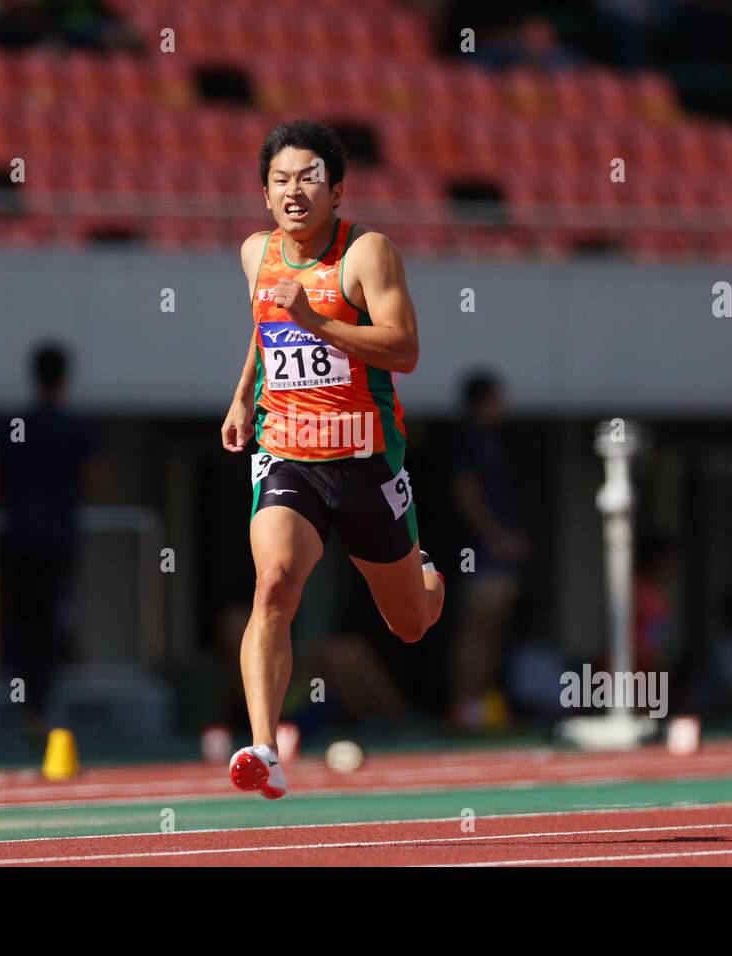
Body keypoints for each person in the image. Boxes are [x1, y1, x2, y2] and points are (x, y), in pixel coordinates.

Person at [219, 119, 444, 798]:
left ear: (337, 191)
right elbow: (265, 331)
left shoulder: (366, 255)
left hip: (366, 459)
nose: (294, 191)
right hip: (286, 452)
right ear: (264, 194)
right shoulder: (256, 254)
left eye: (309, 178)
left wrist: (316, 320)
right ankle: (265, 747)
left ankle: (427, 571)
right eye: (281, 180)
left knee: (408, 624)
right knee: (275, 583)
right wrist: (239, 399)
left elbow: (404, 349)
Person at [0, 342, 105, 738]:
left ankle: (24, 703)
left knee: (20, 619)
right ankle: (37, 709)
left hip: (19, 533)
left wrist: (7, 495)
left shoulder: (15, 422)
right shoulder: (74, 427)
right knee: (47, 624)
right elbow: (95, 477)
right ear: (64, 377)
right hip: (56, 536)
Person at [448, 371, 531, 729]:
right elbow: (467, 493)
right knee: (477, 626)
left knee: (495, 626)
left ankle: (479, 701)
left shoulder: (494, 440)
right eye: (497, 398)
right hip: (479, 547)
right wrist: (496, 537)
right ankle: (462, 703)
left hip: (500, 546)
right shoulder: (467, 440)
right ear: (482, 400)